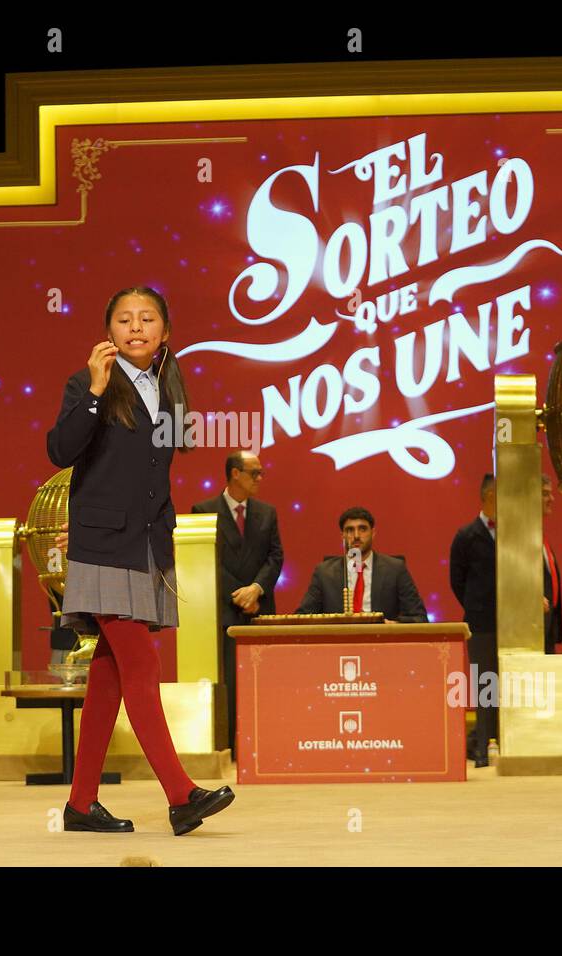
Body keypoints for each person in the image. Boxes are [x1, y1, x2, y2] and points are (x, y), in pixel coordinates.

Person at [46, 285, 234, 836]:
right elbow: (60, 451)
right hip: (103, 546)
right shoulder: (88, 384)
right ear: (108, 333)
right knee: (142, 667)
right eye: (124, 320)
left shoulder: (167, 387)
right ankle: (180, 794)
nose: (135, 327)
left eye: (147, 319)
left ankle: (81, 804)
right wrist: (98, 391)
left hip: (146, 545)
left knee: (109, 674)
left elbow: (162, 467)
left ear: (165, 333)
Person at [191, 450, 284, 758]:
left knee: (265, 683)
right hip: (225, 610)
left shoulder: (267, 513)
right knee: (229, 683)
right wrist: (239, 594)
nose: (259, 478)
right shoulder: (204, 511)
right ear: (234, 474)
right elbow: (207, 561)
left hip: (259, 610)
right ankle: (231, 748)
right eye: (254, 473)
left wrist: (256, 590)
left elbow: (275, 557)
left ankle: (265, 746)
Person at [294, 507, 428, 621]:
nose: (356, 535)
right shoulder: (324, 573)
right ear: (342, 536)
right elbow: (303, 617)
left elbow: (419, 617)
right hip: (339, 643)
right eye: (350, 530)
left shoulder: (395, 569)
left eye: (362, 529)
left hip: (381, 642)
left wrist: (392, 626)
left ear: (373, 533)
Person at [450, 474, 498, 766]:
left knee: (511, 685)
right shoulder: (466, 535)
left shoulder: (514, 532)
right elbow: (457, 580)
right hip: (480, 624)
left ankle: (506, 745)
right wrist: (476, 606)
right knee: (485, 686)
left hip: (513, 622)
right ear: (491, 496)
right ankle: (482, 750)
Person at [542, 474, 562, 654]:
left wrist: (557, 625)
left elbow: (550, 583)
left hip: (547, 626)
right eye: (545, 494)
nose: (551, 498)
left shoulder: (540, 535)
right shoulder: (519, 536)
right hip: (530, 629)